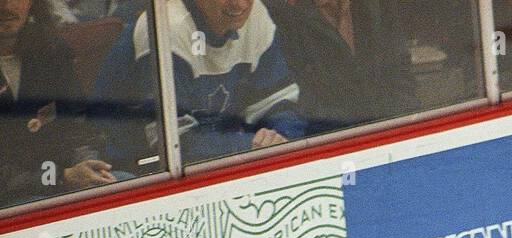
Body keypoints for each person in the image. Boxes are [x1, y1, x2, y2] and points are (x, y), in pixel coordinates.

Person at [91, 0, 305, 171]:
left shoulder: (256, 15)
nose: (240, 4)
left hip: (229, 156)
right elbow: (175, 144)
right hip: (134, 166)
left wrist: (281, 137)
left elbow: (279, 103)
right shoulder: (164, 27)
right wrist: (251, 145)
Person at [0, 0, 115, 204]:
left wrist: (87, 166)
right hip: (13, 201)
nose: (6, 5)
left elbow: (79, 129)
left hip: (60, 182)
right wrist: (60, 177)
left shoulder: (52, 50)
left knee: (123, 184)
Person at [263, 0, 417, 136]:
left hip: (392, 133)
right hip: (330, 145)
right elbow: (300, 102)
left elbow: (400, 73)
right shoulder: (278, 16)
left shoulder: (377, 5)